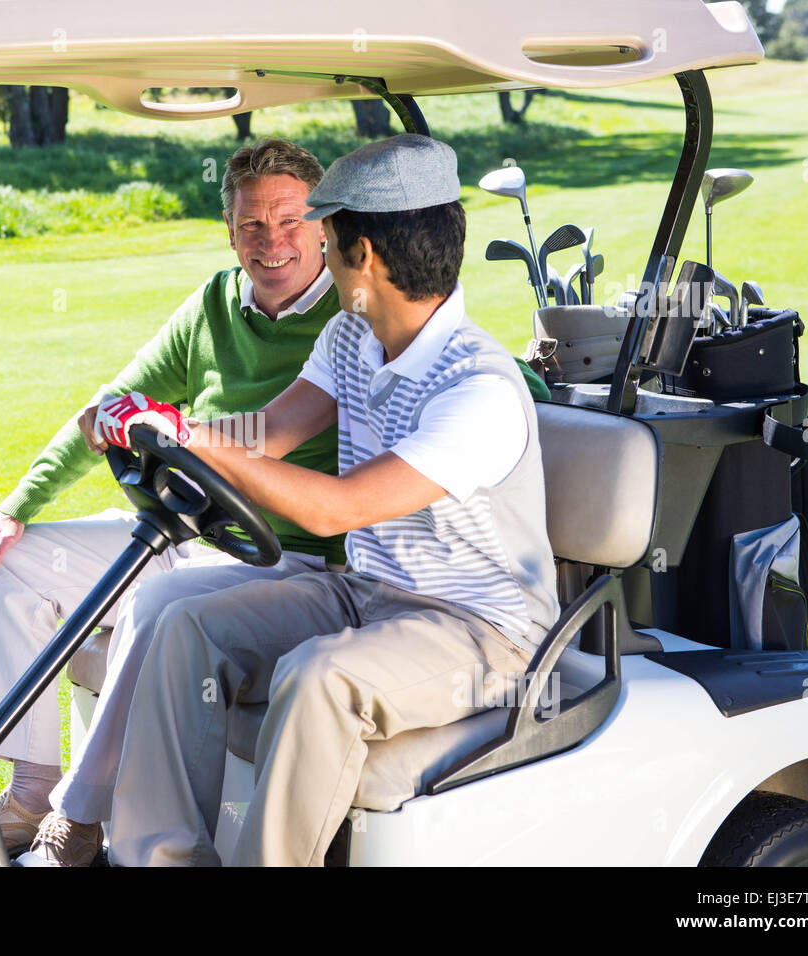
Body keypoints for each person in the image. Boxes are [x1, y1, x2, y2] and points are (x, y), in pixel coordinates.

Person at [101, 134, 560, 866]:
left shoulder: (479, 389)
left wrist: (189, 433)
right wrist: (171, 431)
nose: (309, 245)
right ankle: (158, 858)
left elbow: (334, 510)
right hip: (365, 591)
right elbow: (273, 432)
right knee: (184, 623)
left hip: (482, 633)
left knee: (319, 678)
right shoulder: (353, 332)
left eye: (326, 233)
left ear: (364, 255)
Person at [0, 138, 348, 863]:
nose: (272, 243)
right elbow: (110, 405)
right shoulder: (213, 305)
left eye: (289, 221)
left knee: (149, 607)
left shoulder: (350, 320)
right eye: (251, 226)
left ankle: (81, 823)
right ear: (229, 232)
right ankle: (29, 792)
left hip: (286, 560)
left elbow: (273, 436)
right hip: (190, 534)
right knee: (1, 561)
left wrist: (176, 427)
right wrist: (17, 505)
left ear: (322, 223)